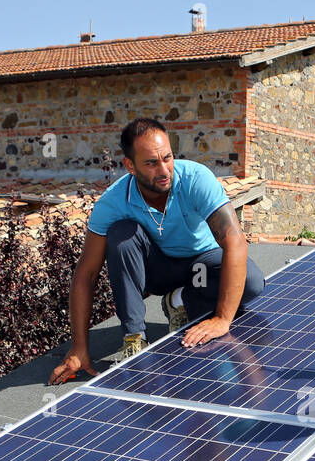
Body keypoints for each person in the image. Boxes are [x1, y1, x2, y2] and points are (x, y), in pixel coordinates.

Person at [48, 118, 264, 386]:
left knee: (252, 283)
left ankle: (181, 299)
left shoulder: (197, 179)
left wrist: (222, 319)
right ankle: (135, 338)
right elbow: (86, 273)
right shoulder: (112, 202)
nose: (164, 170)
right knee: (121, 235)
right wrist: (79, 348)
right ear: (130, 166)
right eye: (151, 163)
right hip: (158, 269)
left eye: (167, 158)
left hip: (203, 265)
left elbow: (235, 242)